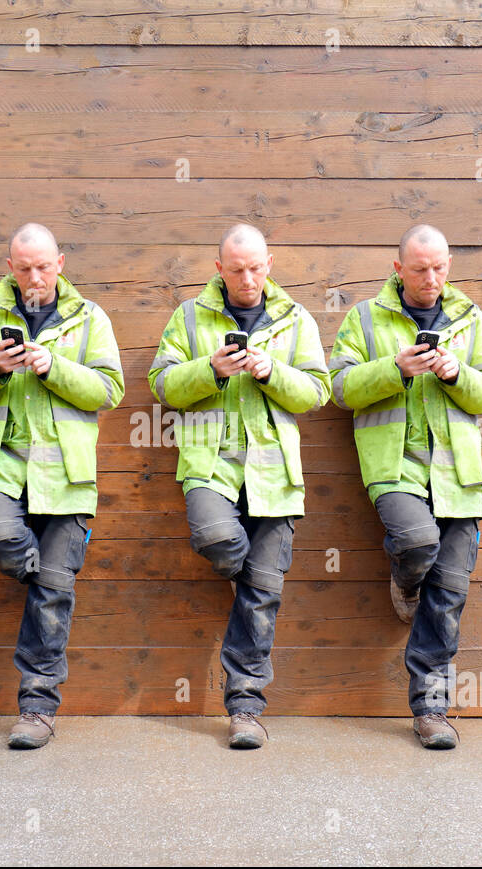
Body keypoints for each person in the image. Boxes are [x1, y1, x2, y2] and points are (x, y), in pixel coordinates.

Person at [0, 223, 124, 749]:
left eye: (43, 266)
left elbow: (109, 390)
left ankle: (37, 710)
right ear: (10, 267)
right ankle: (44, 574)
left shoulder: (90, 317)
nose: (35, 277)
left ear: (60, 263)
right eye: (24, 268)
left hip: (66, 475)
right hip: (1, 465)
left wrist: (54, 368)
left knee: (52, 597)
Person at [147, 223, 329, 748]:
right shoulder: (189, 316)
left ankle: (245, 708)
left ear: (269, 264)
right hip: (210, 466)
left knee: (262, 595)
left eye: (254, 268)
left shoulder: (296, 319)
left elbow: (318, 391)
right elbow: (161, 384)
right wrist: (210, 370)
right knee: (218, 540)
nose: (247, 279)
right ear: (218, 268)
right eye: (236, 270)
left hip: (275, 474)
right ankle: (243, 575)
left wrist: (273, 373)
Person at [328, 224, 482, 750]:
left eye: (440, 267)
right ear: (398, 268)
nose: (431, 278)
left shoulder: (471, 319)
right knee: (416, 542)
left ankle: (431, 710)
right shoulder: (365, 317)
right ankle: (406, 582)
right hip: (394, 466)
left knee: (448, 595)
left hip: (457, 474)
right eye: (420, 269)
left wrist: (456, 375)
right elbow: (339, 387)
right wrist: (394, 369)